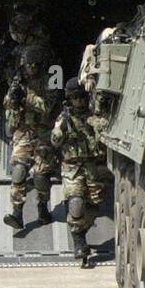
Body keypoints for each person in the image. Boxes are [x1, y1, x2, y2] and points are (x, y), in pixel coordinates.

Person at [51, 77, 111, 263]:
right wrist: (60, 130)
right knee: (76, 202)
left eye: (82, 96)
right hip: (73, 167)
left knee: (94, 205)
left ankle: (81, 228)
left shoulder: (96, 114)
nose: (79, 101)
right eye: (75, 97)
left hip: (94, 166)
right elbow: (54, 141)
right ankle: (79, 241)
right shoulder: (65, 118)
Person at [2, 43, 60, 229]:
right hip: (23, 132)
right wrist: (13, 97)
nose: (32, 68)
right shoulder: (18, 81)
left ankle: (43, 206)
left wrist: (26, 97)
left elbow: (48, 105)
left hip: (43, 132)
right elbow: (8, 105)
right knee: (18, 171)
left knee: (41, 176)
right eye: (29, 65)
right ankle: (17, 213)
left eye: (35, 65)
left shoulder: (51, 78)